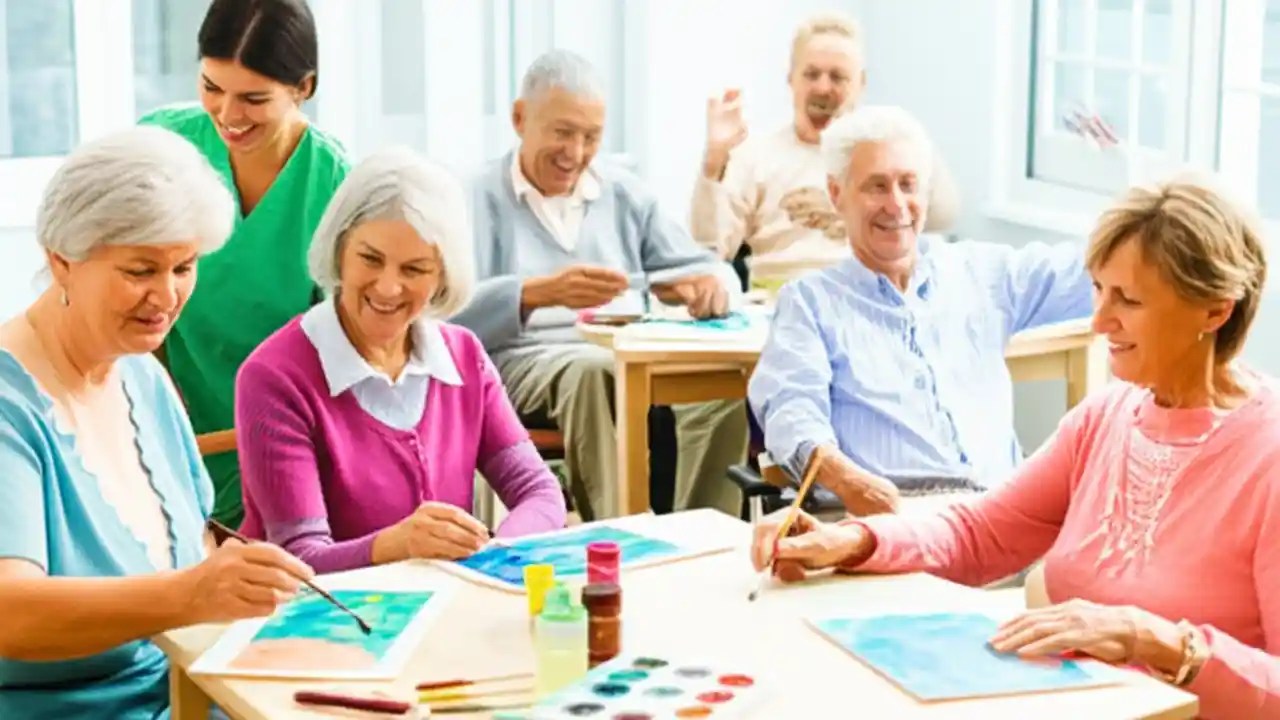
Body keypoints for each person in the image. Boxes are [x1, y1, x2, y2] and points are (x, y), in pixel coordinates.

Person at [750, 177, 1278, 719]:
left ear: (1215, 311)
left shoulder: (1269, 457)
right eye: (1098, 290)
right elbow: (979, 533)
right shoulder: (1105, 418)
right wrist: (855, 540)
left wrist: (1155, 638)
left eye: (1130, 300)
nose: (1099, 321)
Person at [0, 127, 312, 720]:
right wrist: (190, 595)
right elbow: (8, 615)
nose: (166, 296)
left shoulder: (144, 378)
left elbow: (196, 551)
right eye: (140, 270)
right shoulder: (8, 406)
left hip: (188, 698)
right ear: (60, 259)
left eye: (184, 267)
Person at [747, 105, 1093, 515]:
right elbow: (792, 415)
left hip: (1000, 518)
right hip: (890, 520)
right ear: (837, 194)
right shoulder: (810, 303)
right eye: (877, 186)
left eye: (908, 185)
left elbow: (1093, 270)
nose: (896, 205)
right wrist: (849, 482)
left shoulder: (981, 274)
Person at [235, 148, 568, 573]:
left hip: (443, 604)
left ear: (441, 275)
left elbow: (539, 490)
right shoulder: (274, 376)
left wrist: (493, 553)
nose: (389, 288)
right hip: (319, 622)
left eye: (414, 269)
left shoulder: (463, 356)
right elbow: (299, 559)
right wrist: (397, 544)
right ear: (340, 251)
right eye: (370, 259)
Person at [454, 49, 749, 521]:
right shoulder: (473, 196)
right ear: (519, 118)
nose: (575, 153)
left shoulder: (623, 193)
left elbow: (711, 270)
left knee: (718, 394)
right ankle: (618, 540)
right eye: (562, 133)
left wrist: (710, 287)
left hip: (631, 355)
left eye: (590, 137)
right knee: (592, 371)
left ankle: (703, 536)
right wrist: (535, 293)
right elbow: (443, 317)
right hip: (519, 362)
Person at [139, 0, 350, 527]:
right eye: (212, 87)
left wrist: (273, 441)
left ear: (304, 87)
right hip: (167, 432)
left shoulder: (336, 185)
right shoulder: (160, 147)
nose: (229, 115)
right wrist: (154, 420)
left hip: (285, 443)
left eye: (254, 98)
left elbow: (339, 354)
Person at [690, 12, 960, 286]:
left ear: (860, 84)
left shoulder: (882, 155)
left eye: (838, 77)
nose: (823, 87)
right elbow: (709, 249)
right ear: (791, 79)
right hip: (781, 301)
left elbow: (944, 215)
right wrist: (714, 160)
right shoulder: (756, 157)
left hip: (868, 298)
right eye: (811, 74)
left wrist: (906, 138)